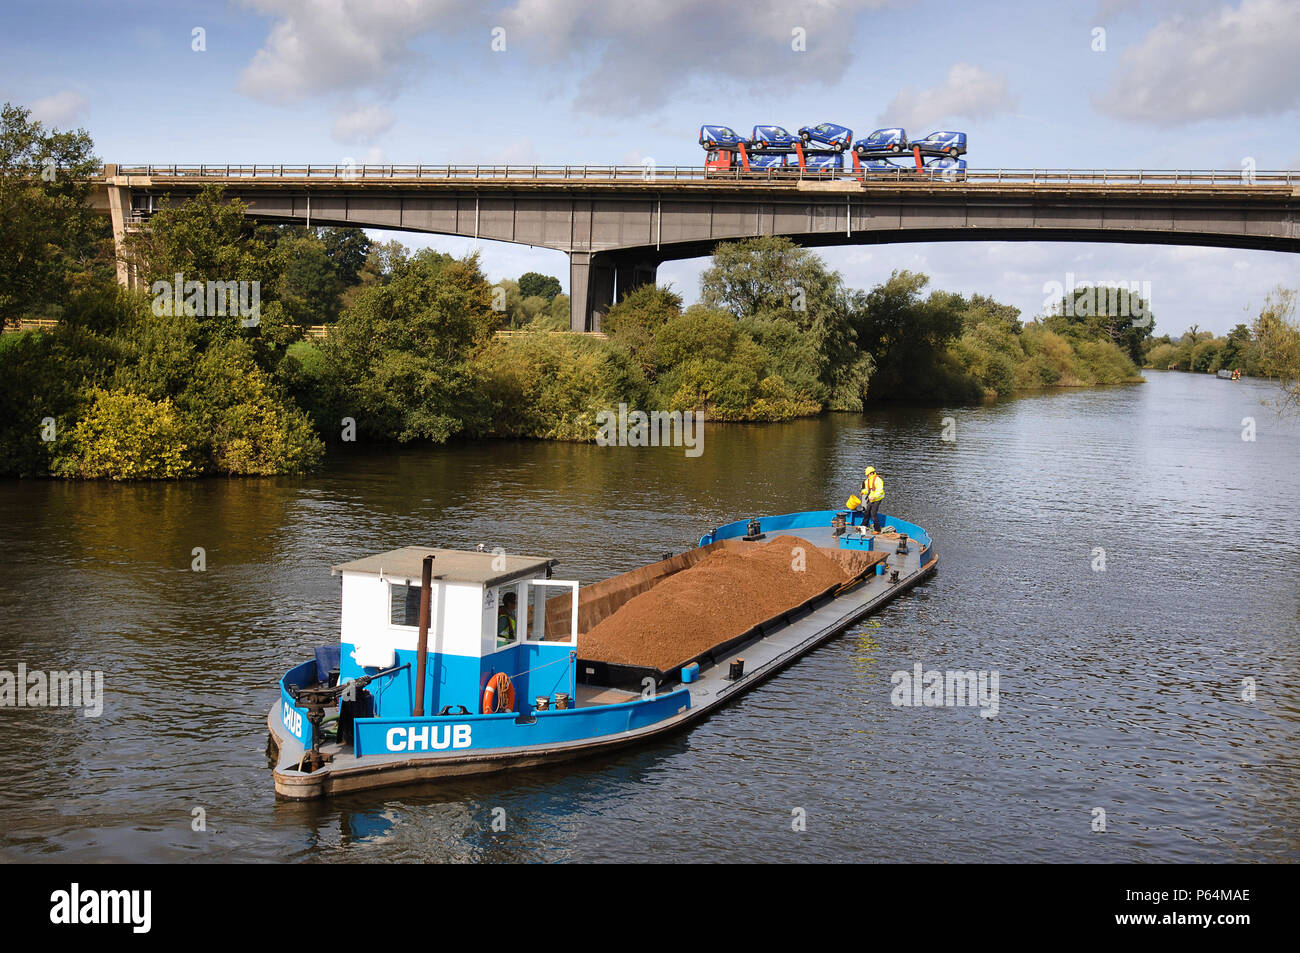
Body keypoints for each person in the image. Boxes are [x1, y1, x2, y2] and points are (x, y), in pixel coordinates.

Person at [861, 465, 885, 531]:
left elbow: (880, 491)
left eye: (868, 475)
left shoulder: (878, 480)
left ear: (871, 473)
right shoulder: (867, 481)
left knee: (873, 514)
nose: (867, 476)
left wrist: (874, 497)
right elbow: (867, 490)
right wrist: (863, 492)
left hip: (877, 499)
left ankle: (877, 529)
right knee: (867, 512)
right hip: (871, 499)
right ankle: (863, 525)